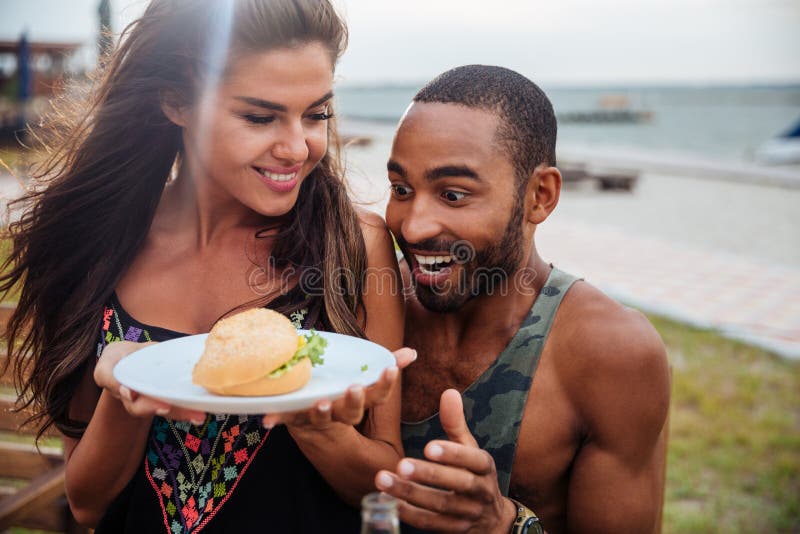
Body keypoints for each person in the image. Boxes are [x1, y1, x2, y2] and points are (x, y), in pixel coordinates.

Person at [0, 1, 409, 532]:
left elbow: (386, 482)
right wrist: (127, 394)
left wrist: (319, 429)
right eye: (260, 116)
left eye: (316, 114)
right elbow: (88, 503)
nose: (297, 147)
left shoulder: (353, 246)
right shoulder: (97, 243)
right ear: (176, 101)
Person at [374, 65, 671, 533]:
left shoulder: (609, 353)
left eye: (453, 194)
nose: (413, 227)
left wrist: (502, 523)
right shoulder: (372, 314)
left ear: (540, 196)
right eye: (401, 190)